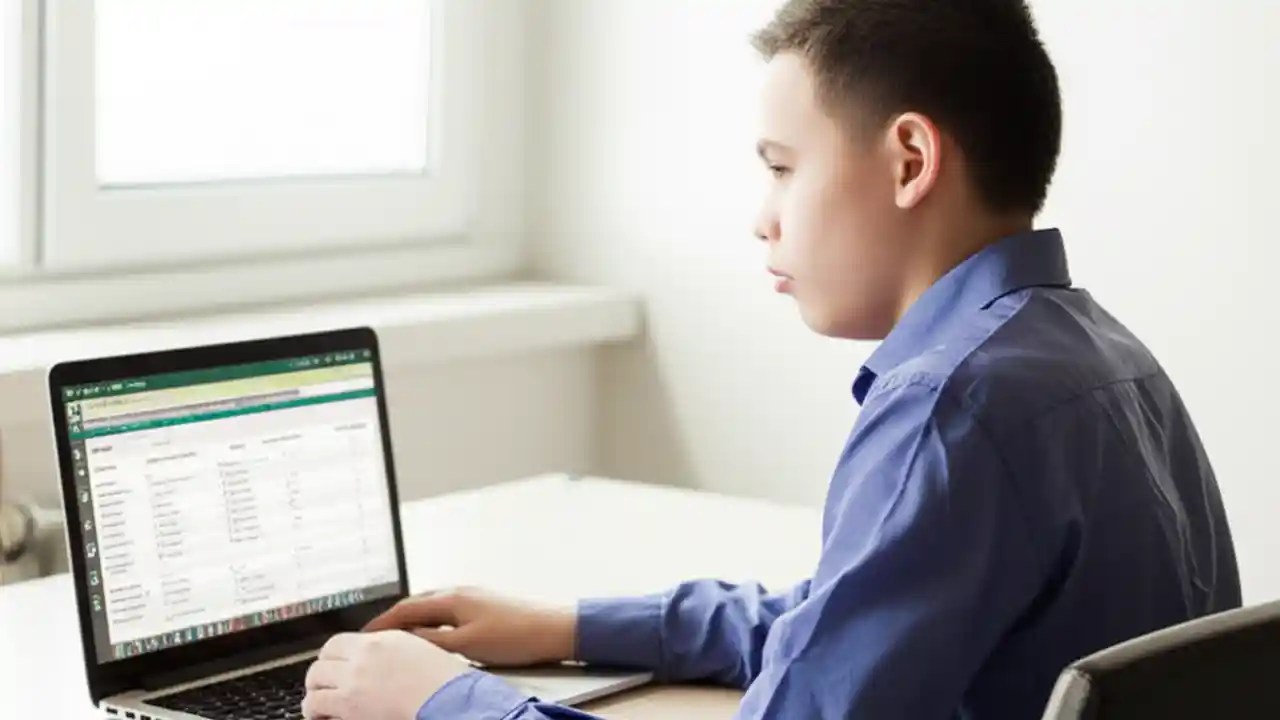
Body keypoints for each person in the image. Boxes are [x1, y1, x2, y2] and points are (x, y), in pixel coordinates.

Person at [299, 1, 1241, 718]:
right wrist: (573, 628)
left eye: (783, 166)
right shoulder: (1103, 361)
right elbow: (834, 624)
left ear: (910, 160)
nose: (764, 214)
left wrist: (440, 700)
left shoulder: (953, 408)